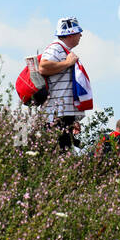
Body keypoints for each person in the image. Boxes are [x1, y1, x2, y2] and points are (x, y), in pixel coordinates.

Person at [38, 17, 86, 152]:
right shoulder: (56, 48)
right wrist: (67, 63)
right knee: (59, 154)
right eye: (78, 32)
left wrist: (74, 116)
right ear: (70, 34)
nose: (80, 35)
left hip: (62, 113)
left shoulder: (62, 49)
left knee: (64, 153)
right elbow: (44, 66)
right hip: (57, 113)